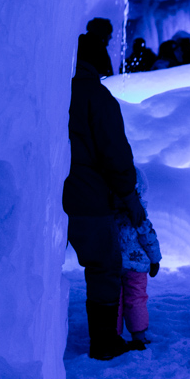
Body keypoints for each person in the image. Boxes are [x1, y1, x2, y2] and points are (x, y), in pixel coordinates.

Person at [62, 29, 147, 360]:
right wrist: (130, 197)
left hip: (54, 198)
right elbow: (115, 155)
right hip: (88, 197)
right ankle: (105, 341)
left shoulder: (57, 91)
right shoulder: (97, 97)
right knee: (103, 265)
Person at [116, 168, 162, 345]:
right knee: (136, 298)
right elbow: (149, 238)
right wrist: (155, 260)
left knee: (115, 300)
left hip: (113, 264)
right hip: (137, 267)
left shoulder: (109, 213)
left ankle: (114, 336)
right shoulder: (139, 214)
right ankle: (139, 336)